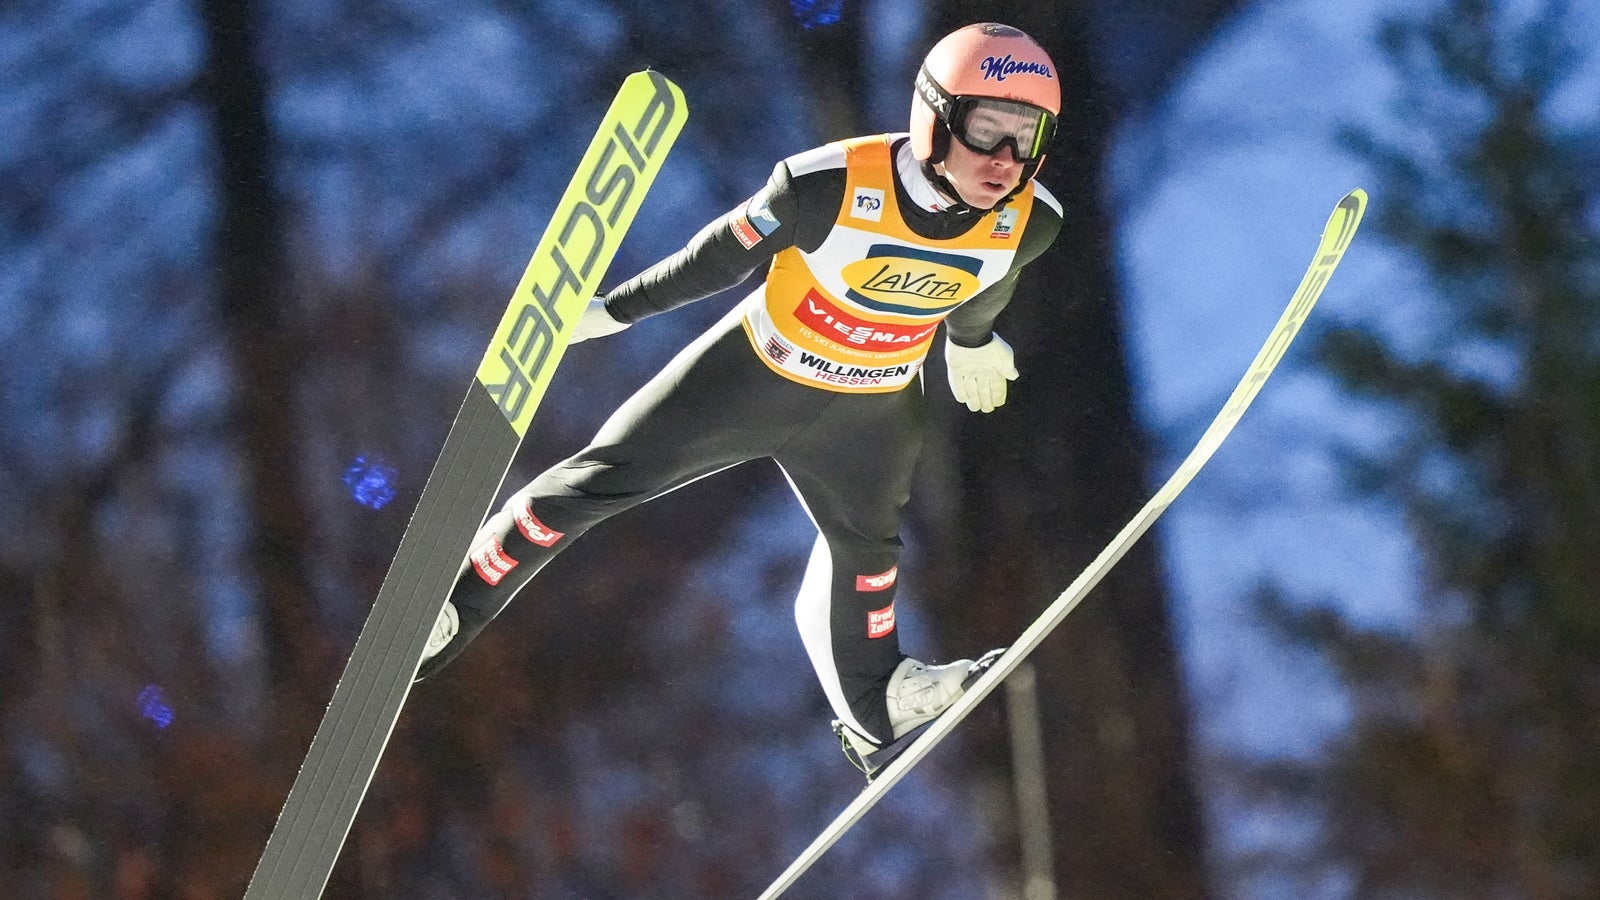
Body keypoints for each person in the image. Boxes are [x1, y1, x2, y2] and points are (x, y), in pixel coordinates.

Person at [417, 22, 1064, 766]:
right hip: (751, 378)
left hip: (872, 409)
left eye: (1026, 136)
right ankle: (453, 603)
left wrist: (971, 340)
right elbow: (717, 259)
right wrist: (614, 311)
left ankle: (874, 703)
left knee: (868, 554)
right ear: (936, 118)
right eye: (987, 130)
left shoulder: (1032, 220)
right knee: (600, 481)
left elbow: (990, 278)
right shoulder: (827, 183)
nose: (1005, 159)